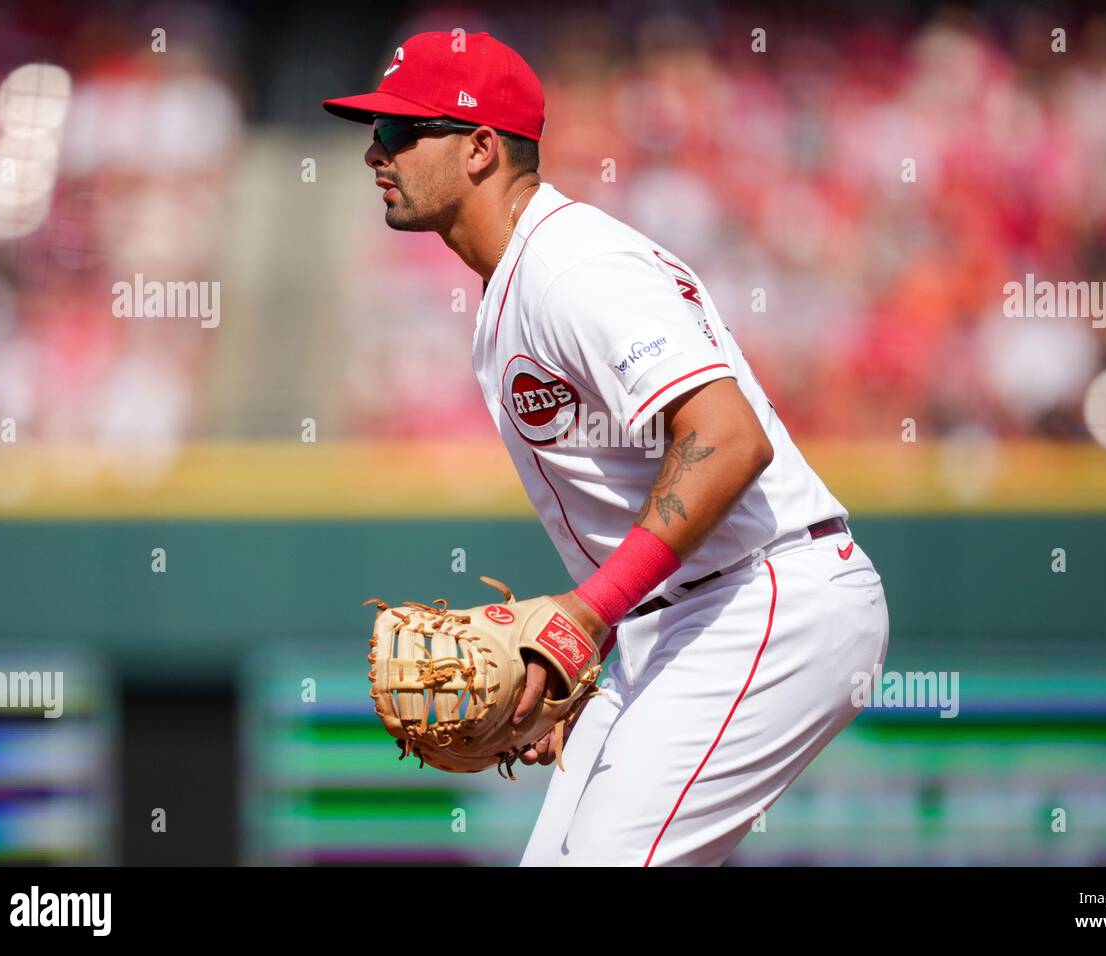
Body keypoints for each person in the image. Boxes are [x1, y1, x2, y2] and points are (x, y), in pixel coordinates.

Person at [323, 30, 890, 866]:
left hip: (766, 597)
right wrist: (584, 669)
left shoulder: (569, 267)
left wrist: (585, 619)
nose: (377, 149)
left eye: (404, 131)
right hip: (676, 618)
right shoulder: (514, 283)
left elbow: (731, 439)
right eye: (379, 130)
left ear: (481, 148)